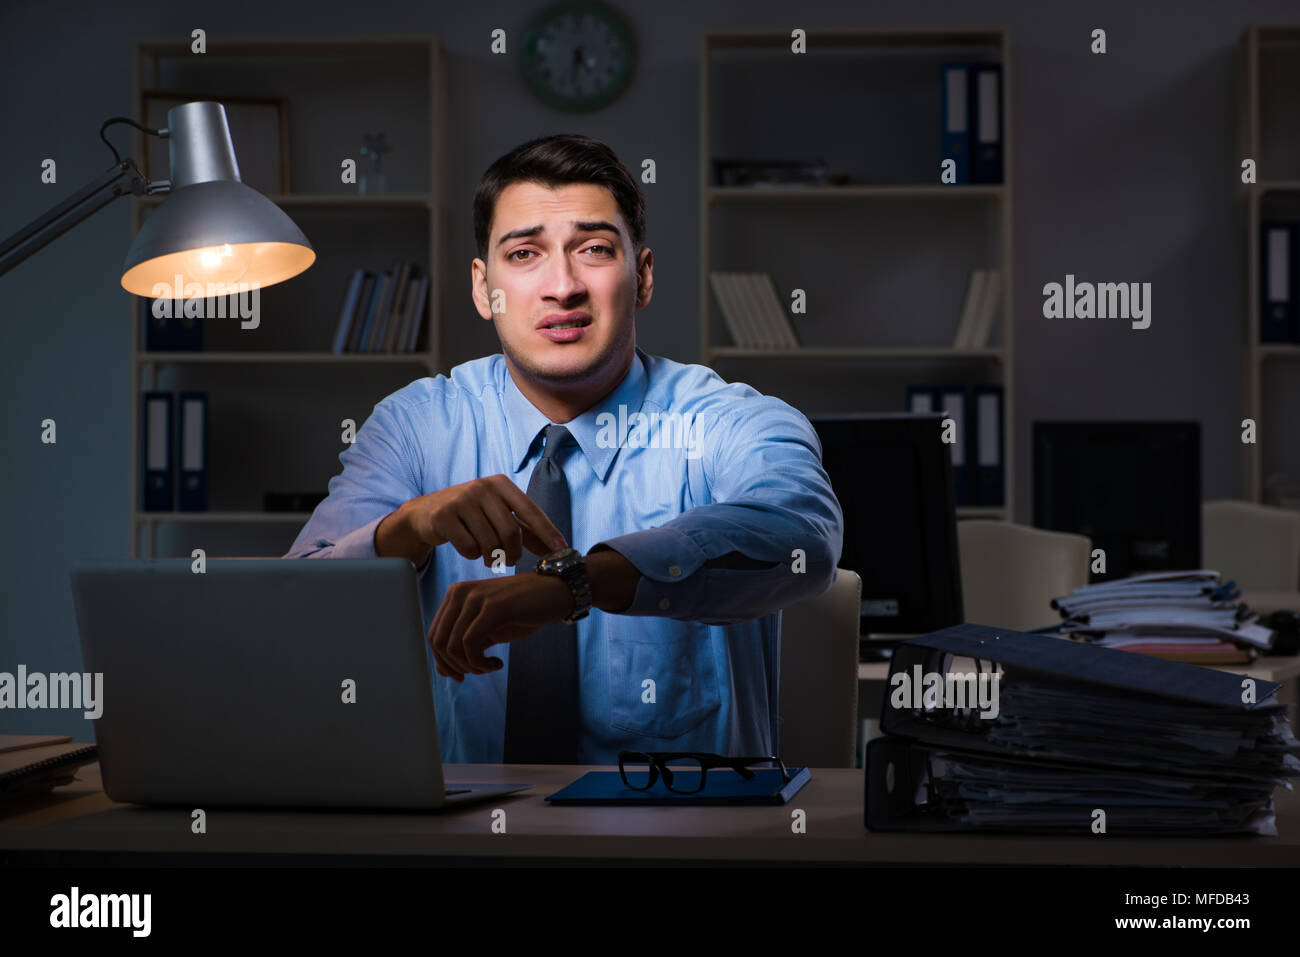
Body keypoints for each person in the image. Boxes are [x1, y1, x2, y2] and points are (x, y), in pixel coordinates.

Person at [284, 133, 843, 765]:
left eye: (595, 250)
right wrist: (407, 528)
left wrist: (572, 584)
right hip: (461, 845)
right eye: (524, 254)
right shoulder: (415, 426)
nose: (562, 285)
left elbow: (802, 538)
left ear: (644, 276)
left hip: (682, 846)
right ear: (481, 286)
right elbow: (300, 613)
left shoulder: (725, 420)